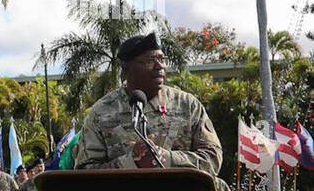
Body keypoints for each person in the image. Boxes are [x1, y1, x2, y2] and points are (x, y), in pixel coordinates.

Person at [77, 31, 223, 172]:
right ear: (127, 68)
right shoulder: (100, 112)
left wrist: (168, 158)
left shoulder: (188, 105)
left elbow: (213, 158)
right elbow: (85, 172)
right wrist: (132, 162)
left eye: (162, 59)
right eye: (150, 61)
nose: (160, 66)